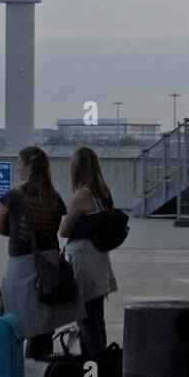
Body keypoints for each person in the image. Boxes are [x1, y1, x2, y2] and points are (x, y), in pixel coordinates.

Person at [0, 146, 76, 359]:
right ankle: (39, 375)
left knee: (10, 322)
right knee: (42, 327)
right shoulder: (55, 198)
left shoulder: (14, 195)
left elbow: (1, 227)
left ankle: (13, 372)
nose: (17, 168)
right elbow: (52, 231)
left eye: (19, 164)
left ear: (29, 167)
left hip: (19, 266)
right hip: (48, 268)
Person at [59, 146, 117, 358]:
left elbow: (64, 230)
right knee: (96, 317)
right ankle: (100, 369)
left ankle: (93, 374)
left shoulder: (82, 195)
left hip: (83, 261)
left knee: (86, 320)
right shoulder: (104, 191)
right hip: (99, 260)